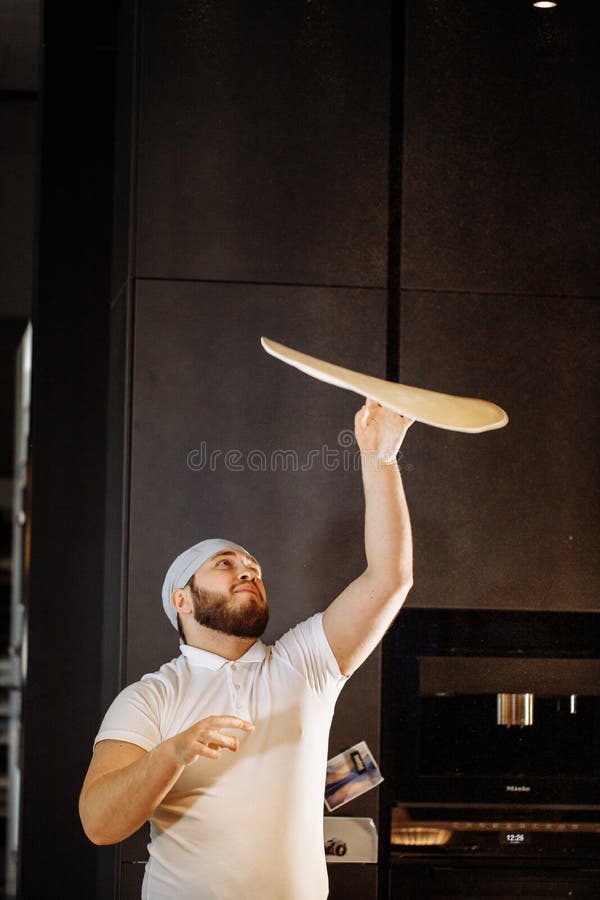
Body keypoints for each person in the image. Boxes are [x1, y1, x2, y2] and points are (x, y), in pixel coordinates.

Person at [79, 399, 414, 899]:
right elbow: (100, 824)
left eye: (253, 568)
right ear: (182, 599)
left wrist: (380, 457)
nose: (247, 571)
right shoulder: (150, 699)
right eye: (225, 563)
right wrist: (173, 753)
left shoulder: (305, 663)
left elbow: (389, 578)